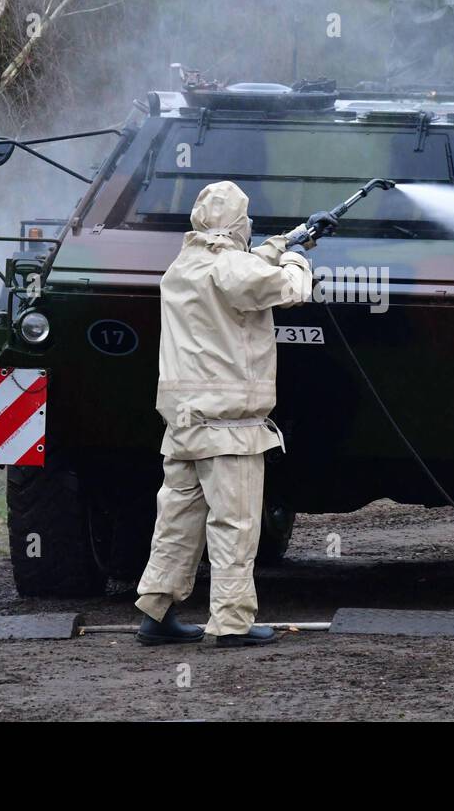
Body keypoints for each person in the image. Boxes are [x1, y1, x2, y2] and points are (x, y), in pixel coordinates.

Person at [135, 181, 327, 648]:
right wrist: (299, 257)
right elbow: (291, 288)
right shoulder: (232, 269)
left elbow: (239, 267)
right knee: (235, 524)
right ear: (238, 224)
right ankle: (232, 622)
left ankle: (157, 613)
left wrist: (289, 238)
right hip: (230, 427)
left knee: (177, 522)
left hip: (184, 425)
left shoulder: (185, 265)